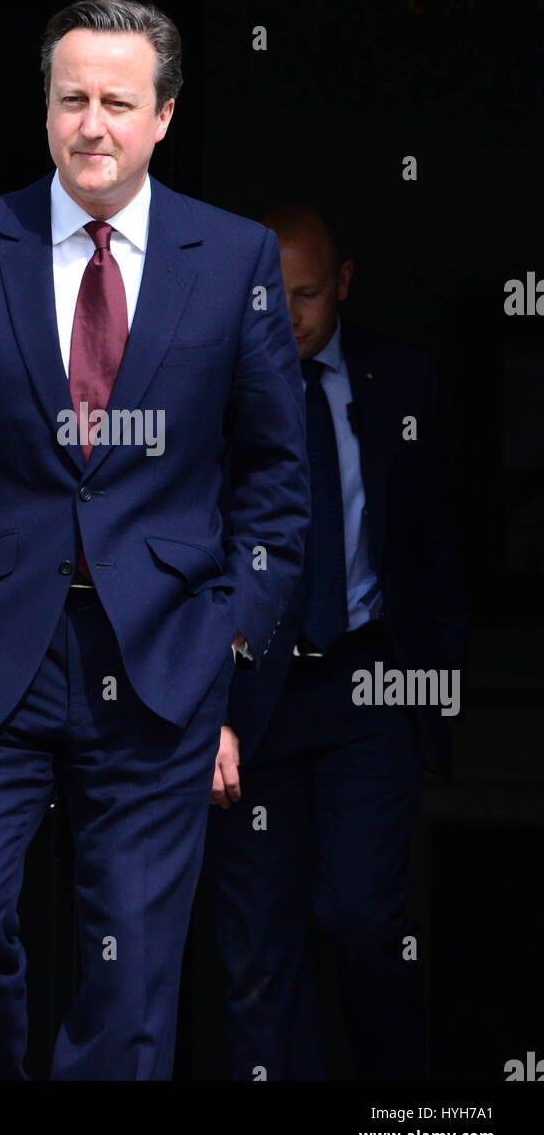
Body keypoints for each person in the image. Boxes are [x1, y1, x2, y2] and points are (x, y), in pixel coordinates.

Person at [0, 0, 310, 1081]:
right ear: (46, 111)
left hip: (159, 661)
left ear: (160, 117)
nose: (90, 124)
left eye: (115, 101)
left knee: (135, 974)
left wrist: (230, 639)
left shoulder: (233, 256)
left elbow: (274, 482)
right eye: (70, 100)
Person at [205, 201, 468, 1080]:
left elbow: (438, 546)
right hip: (254, 698)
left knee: (363, 920)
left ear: (344, 284)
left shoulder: (404, 385)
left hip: (368, 688)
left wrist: (438, 690)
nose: (288, 317)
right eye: (271, 298)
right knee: (258, 951)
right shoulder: (215, 390)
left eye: (308, 294)